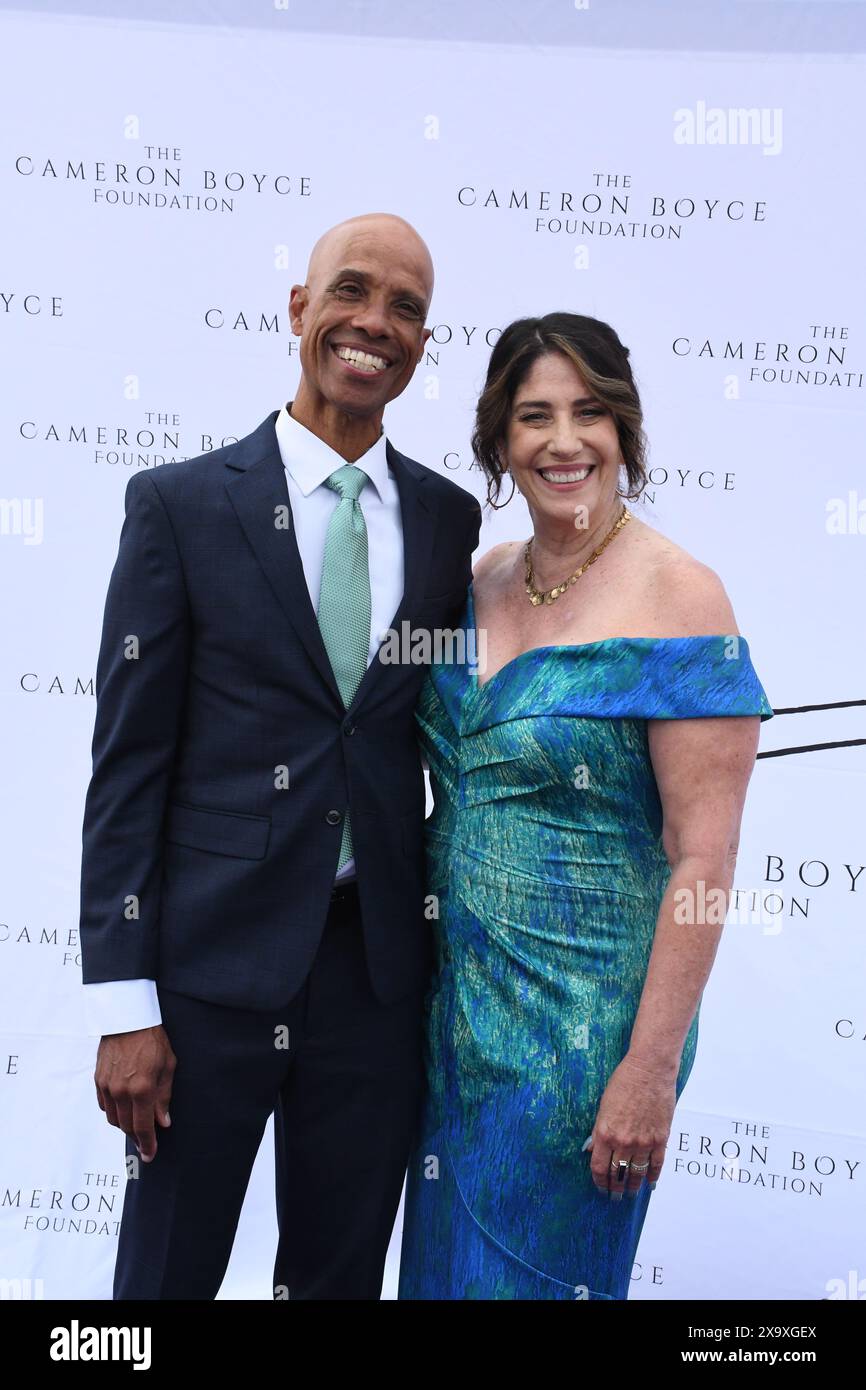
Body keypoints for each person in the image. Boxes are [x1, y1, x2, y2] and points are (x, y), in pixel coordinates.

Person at [79, 212, 481, 1299]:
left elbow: (423, 716)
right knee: (163, 1279)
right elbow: (126, 766)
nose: (374, 322)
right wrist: (125, 1004)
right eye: (351, 291)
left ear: (422, 341)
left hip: (379, 973)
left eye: (406, 307)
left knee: (338, 1276)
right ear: (299, 311)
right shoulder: (179, 505)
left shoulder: (448, 524)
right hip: (210, 971)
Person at [397, 312, 774, 1300]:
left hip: (586, 1045)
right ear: (497, 442)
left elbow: (702, 859)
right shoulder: (475, 584)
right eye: (533, 417)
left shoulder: (682, 598)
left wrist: (646, 1070)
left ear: (624, 430)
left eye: (588, 413)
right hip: (451, 1025)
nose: (563, 441)